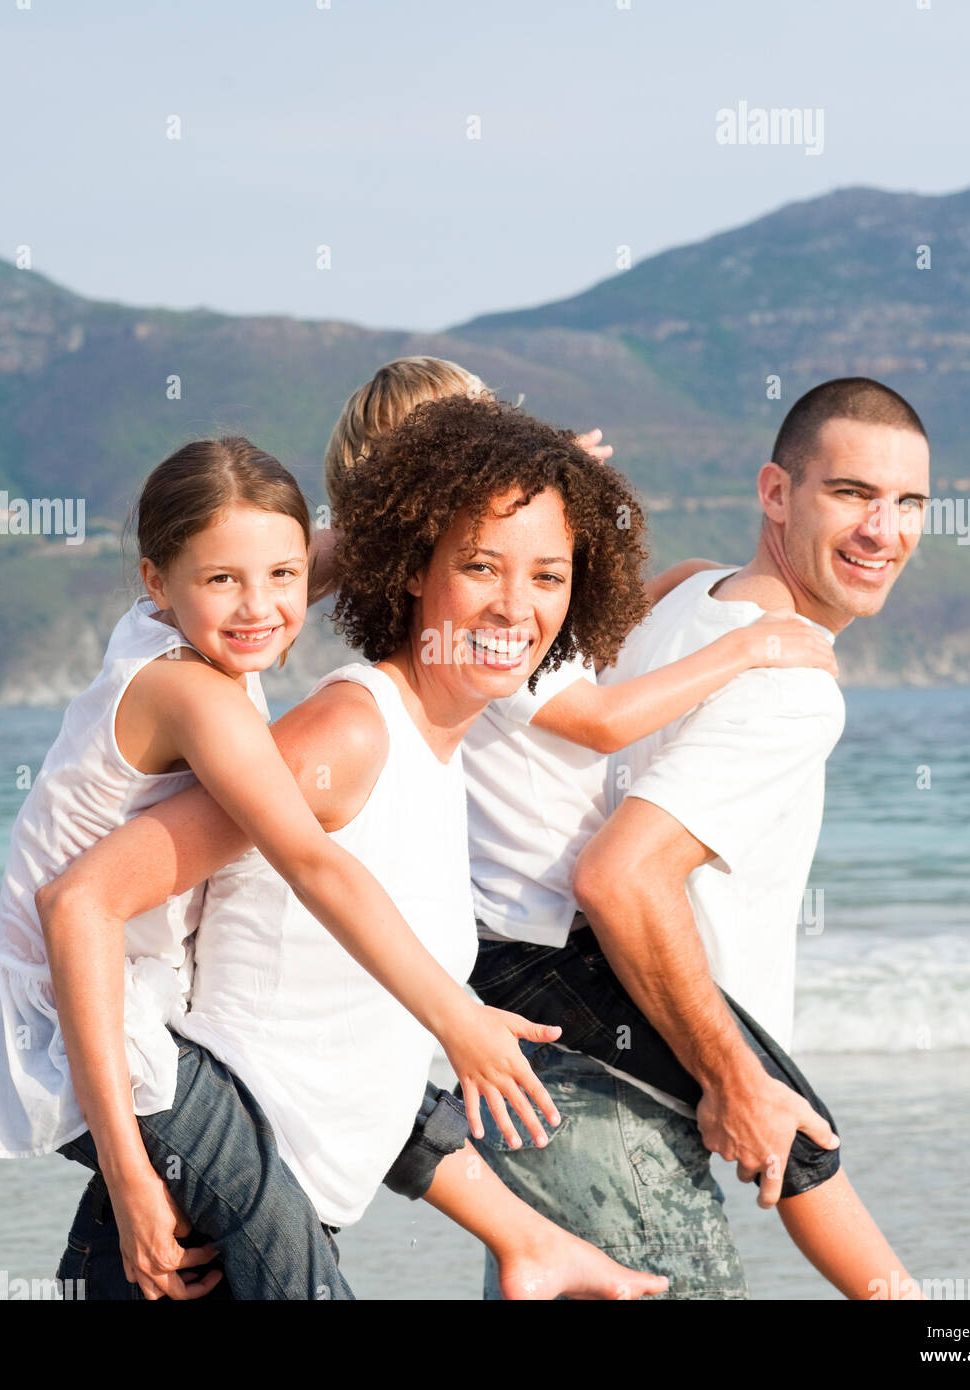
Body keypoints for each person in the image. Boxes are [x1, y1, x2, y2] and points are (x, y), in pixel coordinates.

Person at [36, 398, 673, 1299]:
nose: (514, 605)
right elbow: (83, 899)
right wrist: (132, 1169)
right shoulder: (345, 737)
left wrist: (524, 1235)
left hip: (275, 1228)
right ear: (414, 569)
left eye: (548, 575)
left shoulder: (435, 754)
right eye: (480, 564)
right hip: (194, 1245)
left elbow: (353, 1058)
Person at [321, 363, 919, 1298]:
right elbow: (615, 842)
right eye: (852, 492)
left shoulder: (618, 606)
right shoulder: (511, 644)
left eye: (907, 501)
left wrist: (568, 491)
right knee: (790, 1125)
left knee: (787, 1124)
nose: (885, 527)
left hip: (537, 987)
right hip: (551, 957)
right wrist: (748, 645)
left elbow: (610, 633)